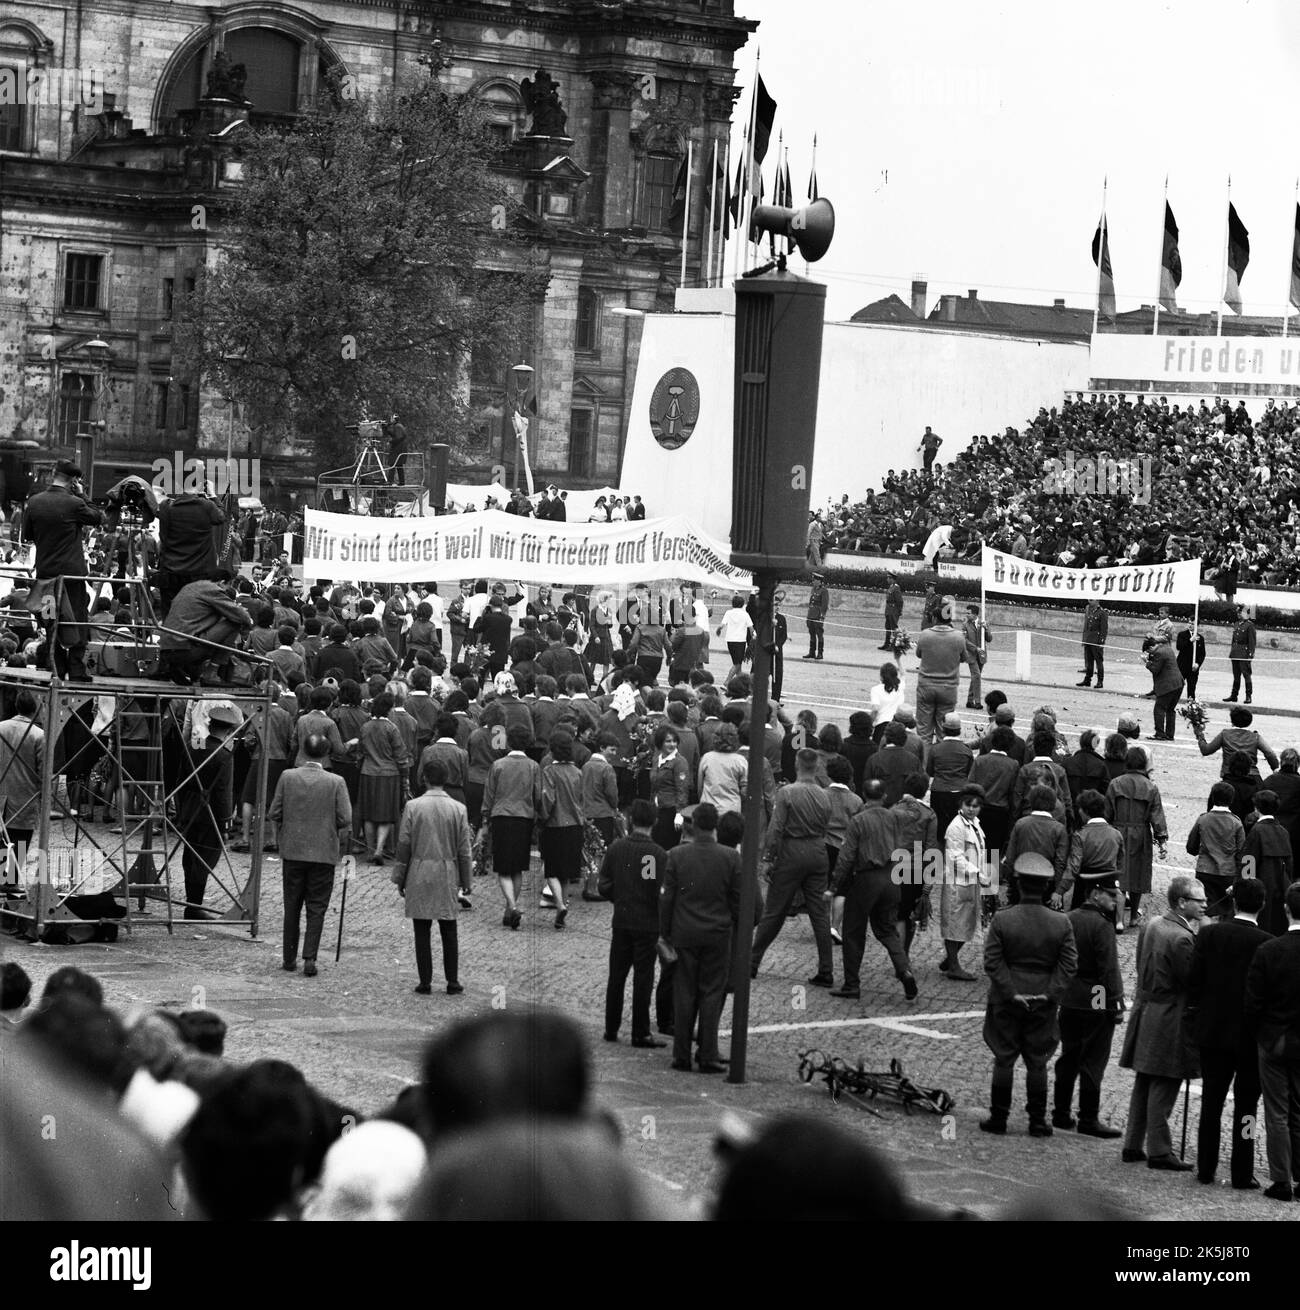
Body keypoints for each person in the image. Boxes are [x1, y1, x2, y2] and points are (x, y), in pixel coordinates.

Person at [979, 852, 1078, 1137]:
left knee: (1004, 1057)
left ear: (1019, 884)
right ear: (1046, 886)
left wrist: (1010, 992)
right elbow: (1069, 963)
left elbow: (992, 961)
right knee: (1038, 1061)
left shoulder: (1002, 919)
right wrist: (1051, 993)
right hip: (1043, 999)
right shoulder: (1061, 922)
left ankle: (999, 1117)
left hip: (1006, 999)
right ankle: (1037, 1120)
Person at [1187, 877, 1271, 1189]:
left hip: (1213, 1031)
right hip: (1249, 1038)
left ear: (1235, 903)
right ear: (1262, 905)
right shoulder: (1266, 942)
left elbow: (1194, 981)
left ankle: (1206, 1167)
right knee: (1247, 1108)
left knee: (1211, 1101)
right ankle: (1242, 1170)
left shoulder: (1209, 935)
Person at [1119, 874, 1204, 1172]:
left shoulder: (1152, 924)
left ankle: (1133, 1143)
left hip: (1147, 1010)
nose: (1205, 904)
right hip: (1169, 1015)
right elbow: (1192, 981)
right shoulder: (1182, 938)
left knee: (1144, 1079)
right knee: (1165, 1081)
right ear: (1182, 902)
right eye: (1199, 900)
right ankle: (1159, 1150)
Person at [658, 801, 740, 1074]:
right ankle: (707, 1053)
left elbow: (667, 898)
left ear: (693, 826)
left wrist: (666, 932)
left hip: (685, 932)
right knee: (711, 994)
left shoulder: (678, 855)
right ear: (714, 826)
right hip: (717, 933)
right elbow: (738, 899)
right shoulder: (730, 858)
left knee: (684, 994)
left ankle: (681, 1054)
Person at [750, 748, 838, 990]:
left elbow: (776, 828)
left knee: (775, 910)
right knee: (819, 914)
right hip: (818, 851)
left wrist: (768, 858)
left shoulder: (787, 793)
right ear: (816, 767)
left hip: (792, 850)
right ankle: (826, 969)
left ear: (798, 766)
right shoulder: (825, 795)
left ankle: (752, 960)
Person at [270, 734, 352, 977]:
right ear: (327, 754)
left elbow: (275, 811)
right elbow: (345, 818)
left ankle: (288, 957)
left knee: (292, 904)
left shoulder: (288, 777)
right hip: (323, 851)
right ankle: (310, 957)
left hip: (293, 850)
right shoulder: (336, 781)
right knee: (317, 907)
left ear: (304, 751)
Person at [829, 778, 918, 1001]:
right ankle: (904, 969)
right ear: (884, 796)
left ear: (864, 795)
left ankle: (851, 984)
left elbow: (846, 857)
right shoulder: (893, 818)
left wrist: (835, 885)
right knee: (887, 929)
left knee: (853, 932)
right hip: (891, 876)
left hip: (867, 878)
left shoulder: (858, 821)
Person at [391, 757, 471, 996]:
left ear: (424, 778)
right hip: (447, 871)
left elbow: (404, 844)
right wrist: (466, 882)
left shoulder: (413, 807)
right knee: (449, 928)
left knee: (421, 929)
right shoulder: (458, 809)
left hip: (419, 869)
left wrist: (400, 876)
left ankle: (425, 981)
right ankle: (452, 980)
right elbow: (464, 850)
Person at [1053, 869, 1124, 1137]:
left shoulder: (1068, 919)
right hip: (1096, 999)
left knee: (1069, 1055)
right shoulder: (1102, 926)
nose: (1116, 900)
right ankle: (1088, 1118)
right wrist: (1116, 1005)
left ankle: (1060, 1113)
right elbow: (1109, 970)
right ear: (1095, 894)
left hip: (1070, 998)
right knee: (1093, 1060)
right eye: (1111, 895)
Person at [21, 459, 105, 682]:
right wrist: (83, 495)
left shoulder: (34, 502)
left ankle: (56, 667)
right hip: (72, 577)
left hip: (46, 578)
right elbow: (98, 517)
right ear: (73, 481)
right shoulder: (74, 504)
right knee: (77, 618)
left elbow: (27, 535)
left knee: (50, 620)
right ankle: (76, 669)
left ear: (53, 475)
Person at [1243, 883, 1300, 1202]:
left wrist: (1262, 1036)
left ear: (1286, 910)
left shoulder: (1269, 950)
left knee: (1276, 1112)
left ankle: (1281, 1180)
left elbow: (1252, 1004)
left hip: (1275, 1041)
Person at [598, 799, 667, 1048]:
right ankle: (640, 1031)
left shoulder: (616, 849)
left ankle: (611, 1027)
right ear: (655, 822)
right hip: (647, 923)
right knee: (643, 977)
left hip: (622, 920)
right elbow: (656, 889)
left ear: (630, 820)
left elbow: (603, 884)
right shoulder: (657, 854)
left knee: (616, 976)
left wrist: (619, 897)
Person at [177, 703, 241, 919]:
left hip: (189, 809)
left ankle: (191, 903)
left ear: (210, 724)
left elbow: (180, 783)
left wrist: (179, 811)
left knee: (190, 857)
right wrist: (226, 823)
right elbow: (224, 793)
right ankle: (194, 907)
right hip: (210, 813)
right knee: (206, 859)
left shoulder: (192, 747)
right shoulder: (224, 756)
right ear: (228, 731)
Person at [482, 723, 541, 929]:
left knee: (503, 868)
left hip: (501, 816)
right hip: (524, 818)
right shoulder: (533, 766)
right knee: (517, 868)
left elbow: (489, 795)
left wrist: (485, 819)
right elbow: (538, 795)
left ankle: (512, 906)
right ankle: (510, 908)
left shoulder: (498, 765)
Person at [1105, 747, 1168, 929]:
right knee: (1138, 875)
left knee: (1119, 874)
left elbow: (1107, 811)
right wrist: (1162, 840)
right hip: (1141, 833)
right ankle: (1133, 916)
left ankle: (1118, 920)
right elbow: (1157, 816)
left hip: (1118, 830)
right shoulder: (1151, 787)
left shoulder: (1115, 784)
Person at [159, 571, 253, 684]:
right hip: (186, 647)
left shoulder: (190, 587)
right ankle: (212, 672)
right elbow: (241, 616)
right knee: (234, 623)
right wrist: (249, 621)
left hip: (166, 648)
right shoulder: (213, 590)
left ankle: (189, 669)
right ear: (222, 582)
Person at [941, 782, 987, 981]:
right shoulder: (956, 827)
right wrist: (977, 873)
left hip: (970, 881)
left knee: (967, 922)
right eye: (968, 804)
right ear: (961, 804)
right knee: (954, 924)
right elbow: (955, 857)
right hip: (958, 881)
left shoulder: (975, 824)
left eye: (975, 806)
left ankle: (950, 960)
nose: (971, 809)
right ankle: (953, 965)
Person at [537, 731, 582, 929]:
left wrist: (542, 817)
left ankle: (560, 904)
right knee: (566, 872)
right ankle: (561, 908)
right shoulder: (578, 772)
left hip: (555, 824)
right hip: (575, 825)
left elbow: (548, 800)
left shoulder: (549, 771)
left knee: (551, 870)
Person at [157, 485, 225, 613]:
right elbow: (221, 517)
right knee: (196, 613)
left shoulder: (166, 507)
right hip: (199, 573)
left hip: (170, 571)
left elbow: (163, 536)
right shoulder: (207, 506)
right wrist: (213, 496)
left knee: (170, 614)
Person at [1185, 781, 1245, 919]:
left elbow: (1191, 847)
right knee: (1228, 910)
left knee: (1206, 910)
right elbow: (1242, 852)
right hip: (1227, 872)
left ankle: (1204, 937)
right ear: (1231, 800)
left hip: (1205, 870)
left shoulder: (1203, 819)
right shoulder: (1236, 822)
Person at [913, 596, 967, 746]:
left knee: (924, 731)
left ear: (936, 619)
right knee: (945, 731)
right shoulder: (958, 636)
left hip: (926, 685)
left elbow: (919, 654)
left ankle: (924, 765)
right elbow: (964, 657)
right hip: (948, 687)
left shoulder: (925, 634)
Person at [1242, 789, 1295, 937]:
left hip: (1260, 889)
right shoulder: (1283, 831)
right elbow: (1289, 863)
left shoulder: (1257, 831)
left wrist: (1244, 887)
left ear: (1256, 807)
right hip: (1280, 887)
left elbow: (1249, 862)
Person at [1194, 705, 1278, 780]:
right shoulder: (1255, 737)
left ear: (1232, 721)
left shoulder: (1225, 734)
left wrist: (1200, 735)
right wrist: (1275, 768)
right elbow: (1270, 753)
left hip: (1230, 775)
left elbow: (1206, 750)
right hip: (1252, 774)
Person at [1144, 630, 1183, 741]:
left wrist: (1146, 662)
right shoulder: (1167, 648)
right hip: (1178, 683)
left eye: (1148, 651)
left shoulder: (1158, 653)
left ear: (1151, 648)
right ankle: (1170, 734)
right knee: (1170, 709)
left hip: (1168, 685)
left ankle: (1160, 733)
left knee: (1159, 709)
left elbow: (1155, 669)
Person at [716, 594, 754, 681]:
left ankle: (740, 684)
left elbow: (722, 625)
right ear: (743, 604)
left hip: (729, 640)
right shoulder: (745, 614)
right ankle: (727, 681)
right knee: (737, 664)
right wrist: (753, 639)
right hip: (740, 641)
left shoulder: (728, 613)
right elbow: (751, 629)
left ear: (732, 603)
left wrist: (718, 630)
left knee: (737, 663)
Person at [1224, 604, 1256, 704]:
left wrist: (1250, 654)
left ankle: (1248, 696)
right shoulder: (1237, 624)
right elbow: (1233, 640)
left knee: (1246, 675)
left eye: (1240, 612)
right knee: (1236, 675)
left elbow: (1252, 641)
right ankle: (1234, 695)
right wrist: (1232, 650)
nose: (1238, 614)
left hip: (1244, 653)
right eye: (1237, 612)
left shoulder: (1249, 625)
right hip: (1235, 653)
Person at [962, 605, 989, 709]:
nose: (966, 615)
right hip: (971, 655)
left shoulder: (983, 623)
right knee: (977, 676)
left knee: (975, 678)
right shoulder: (965, 625)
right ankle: (977, 702)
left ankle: (969, 701)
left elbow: (989, 638)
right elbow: (964, 640)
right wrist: (975, 648)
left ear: (974, 614)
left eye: (968, 613)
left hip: (981, 655)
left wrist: (986, 629)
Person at [1077, 598, 1107, 690]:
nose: (1089, 601)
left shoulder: (1102, 612)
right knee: (1089, 661)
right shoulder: (1088, 609)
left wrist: (1101, 641)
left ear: (1097, 600)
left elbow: (1104, 628)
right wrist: (1084, 639)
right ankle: (1087, 679)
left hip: (1096, 640)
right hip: (1088, 638)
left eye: (1092, 599)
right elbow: (1086, 626)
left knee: (1098, 661)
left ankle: (1100, 681)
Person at [766, 590, 788, 702]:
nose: (777, 607)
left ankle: (776, 699)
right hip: (766, 652)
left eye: (779, 605)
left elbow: (783, 635)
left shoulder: (782, 619)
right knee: (761, 676)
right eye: (775, 605)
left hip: (777, 652)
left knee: (777, 676)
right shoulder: (765, 618)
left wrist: (777, 645)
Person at [1176, 622, 1206, 701]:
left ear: (1197, 625)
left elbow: (1202, 654)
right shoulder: (1182, 635)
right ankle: (1171, 707)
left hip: (1193, 668)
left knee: (1192, 689)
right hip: (1182, 666)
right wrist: (1190, 641)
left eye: (1193, 623)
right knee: (1177, 687)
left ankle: (1191, 709)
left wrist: (1198, 664)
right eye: (1189, 623)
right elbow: (1179, 647)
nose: (1190, 625)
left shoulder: (1200, 638)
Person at [803, 573, 828, 661]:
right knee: (812, 634)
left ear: (819, 581)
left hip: (817, 616)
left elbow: (824, 605)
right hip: (811, 615)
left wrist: (822, 617)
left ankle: (820, 653)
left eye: (815, 580)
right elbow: (811, 603)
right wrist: (808, 616)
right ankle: (812, 652)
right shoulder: (813, 589)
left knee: (819, 634)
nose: (813, 581)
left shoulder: (824, 591)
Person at [881, 574, 904, 652]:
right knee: (887, 627)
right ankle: (886, 643)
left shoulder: (896, 588)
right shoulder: (891, 587)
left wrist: (899, 611)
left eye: (888, 578)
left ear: (892, 579)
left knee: (893, 628)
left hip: (894, 610)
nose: (887, 579)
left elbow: (900, 601)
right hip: (889, 610)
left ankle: (893, 645)